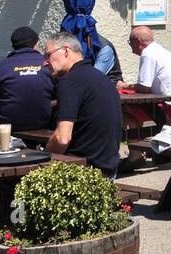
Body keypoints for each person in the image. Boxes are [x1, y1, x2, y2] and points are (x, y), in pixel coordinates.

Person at [42, 32, 124, 178]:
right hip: (108, 169)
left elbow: (62, 139)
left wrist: (45, 156)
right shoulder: (101, 78)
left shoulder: (70, 82)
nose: (45, 62)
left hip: (83, 174)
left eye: (47, 55)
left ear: (66, 51)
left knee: (17, 180)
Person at [0, 26, 55, 134]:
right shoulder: (48, 65)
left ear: (13, 46)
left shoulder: (0, 66)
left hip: (6, 124)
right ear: (35, 44)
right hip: (42, 122)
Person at [126, 26, 171, 99]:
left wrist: (125, 86)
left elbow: (144, 88)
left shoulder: (148, 54)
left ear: (138, 42)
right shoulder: (160, 51)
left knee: (127, 107)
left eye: (130, 43)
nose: (131, 47)